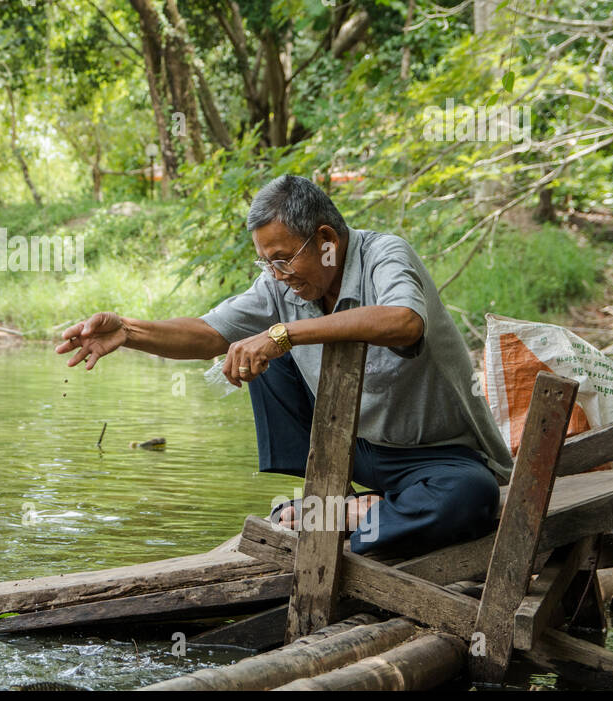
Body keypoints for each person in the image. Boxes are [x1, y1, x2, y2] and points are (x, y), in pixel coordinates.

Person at [56, 174, 512, 557]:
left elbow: (405, 322)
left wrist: (282, 335)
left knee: (472, 499)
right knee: (253, 351)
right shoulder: (281, 284)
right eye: (267, 262)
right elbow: (210, 333)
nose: (276, 274)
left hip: (440, 459)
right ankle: (339, 505)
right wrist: (131, 332)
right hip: (359, 452)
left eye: (283, 259)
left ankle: (344, 521)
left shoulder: (384, 255)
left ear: (327, 241)